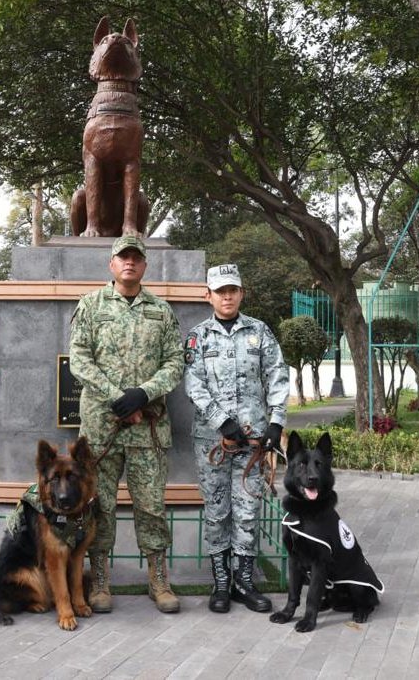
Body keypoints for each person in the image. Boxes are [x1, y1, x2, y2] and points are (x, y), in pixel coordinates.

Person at [69, 235, 184, 614]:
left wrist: (143, 394)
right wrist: (119, 397)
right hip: (102, 429)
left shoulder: (161, 311)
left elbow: (175, 363)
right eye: (123, 257)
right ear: (112, 264)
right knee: (99, 506)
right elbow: (79, 359)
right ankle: (100, 581)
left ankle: (159, 580)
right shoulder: (91, 305)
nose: (129, 262)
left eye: (136, 257)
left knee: (151, 506)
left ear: (145, 265)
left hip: (147, 429)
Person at [184, 264, 289, 614]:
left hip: (253, 442)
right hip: (212, 442)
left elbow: (277, 375)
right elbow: (193, 384)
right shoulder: (198, 337)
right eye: (220, 291)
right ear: (208, 296)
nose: (226, 296)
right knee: (217, 512)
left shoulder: (260, 332)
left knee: (247, 511)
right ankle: (221, 583)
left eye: (232, 290)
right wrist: (221, 421)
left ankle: (244, 582)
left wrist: (276, 423)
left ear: (242, 293)